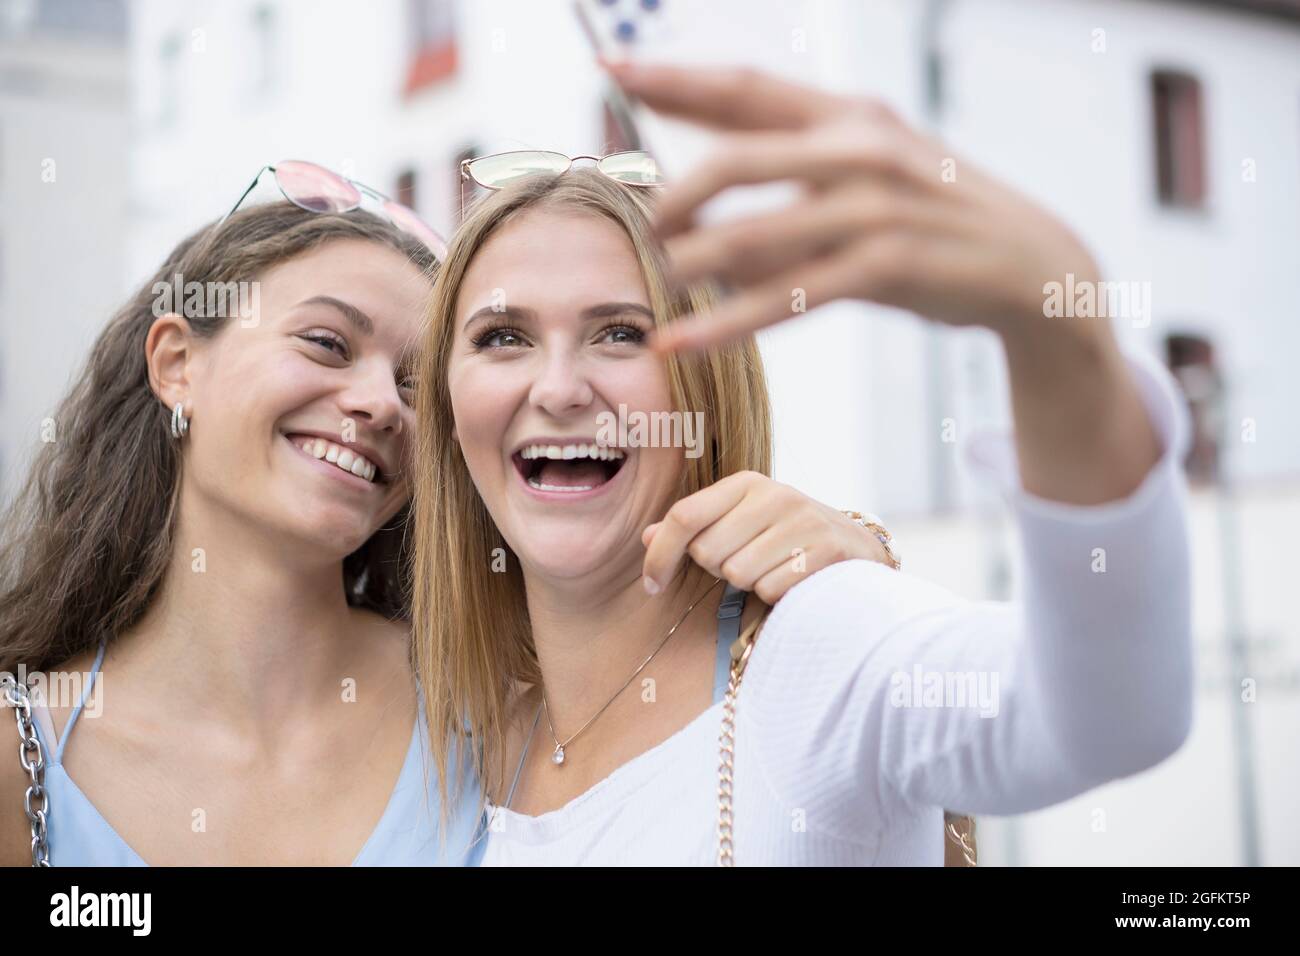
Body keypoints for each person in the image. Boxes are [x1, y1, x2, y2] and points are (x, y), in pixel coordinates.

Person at [409, 66, 1193, 865]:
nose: (558, 388)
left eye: (620, 334)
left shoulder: (819, 646)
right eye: (502, 338)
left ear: (709, 384)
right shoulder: (446, 746)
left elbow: (1111, 713)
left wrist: (1056, 329)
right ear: (445, 404)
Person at [0, 172, 894, 865]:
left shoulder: (509, 717)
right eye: (326, 344)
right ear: (176, 364)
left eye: (413, 383)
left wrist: (857, 566)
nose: (378, 404)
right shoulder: (21, 756)